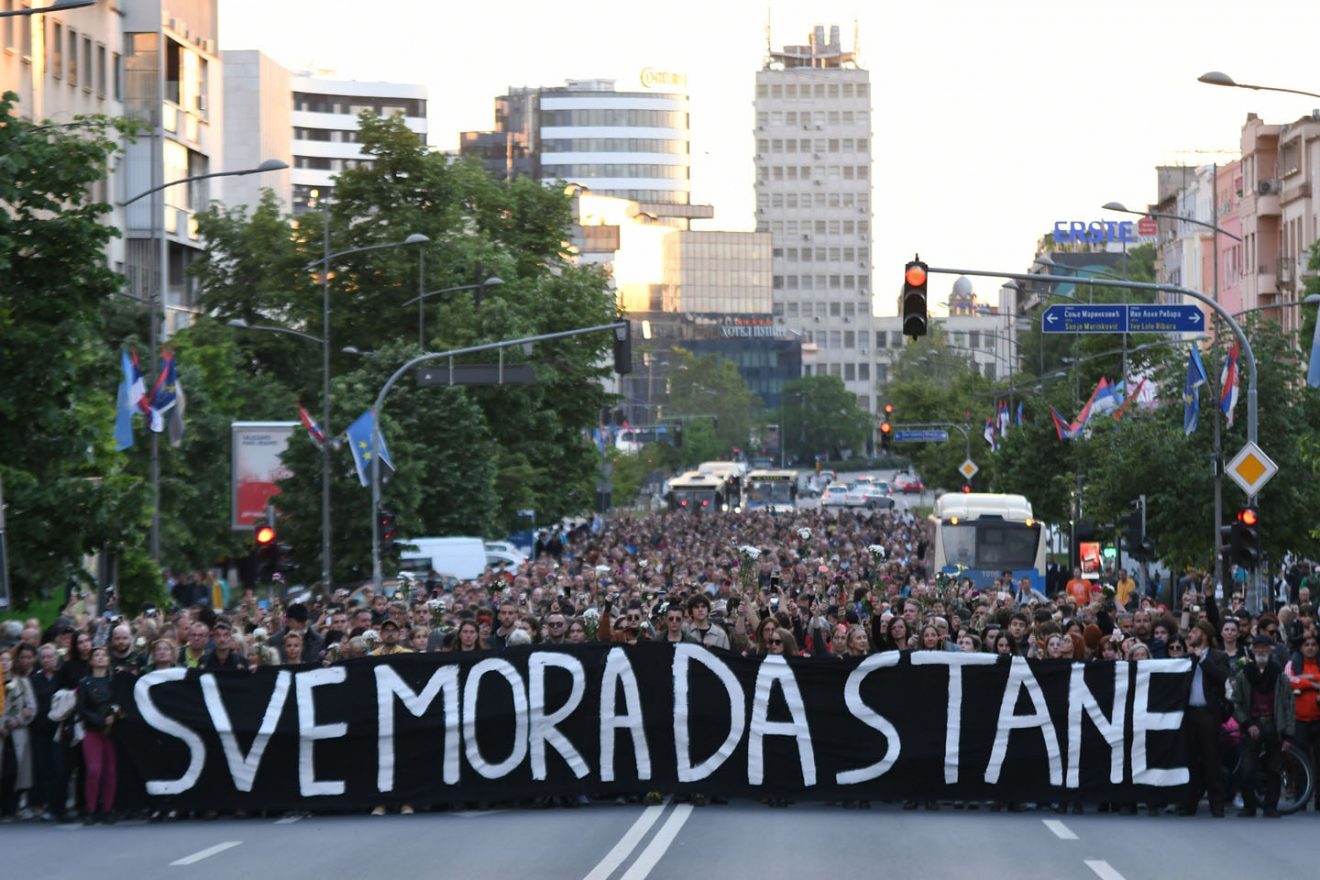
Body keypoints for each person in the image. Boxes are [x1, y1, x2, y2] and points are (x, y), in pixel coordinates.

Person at [1232, 634, 1295, 818]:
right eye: (1257, 648)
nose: (1261, 651)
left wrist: (1288, 734)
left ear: (1271, 651)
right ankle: (1249, 806)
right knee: (1248, 768)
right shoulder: (1244, 675)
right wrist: (1247, 723)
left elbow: (1289, 705)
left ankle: (1270, 807)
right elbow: (1236, 703)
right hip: (1252, 725)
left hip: (1274, 725)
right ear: (1252, 651)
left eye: (1264, 648)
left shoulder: (1280, 676)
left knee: (1274, 769)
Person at [1179, 620, 1231, 817]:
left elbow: (1222, 678)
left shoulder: (1219, 657)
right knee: (1190, 760)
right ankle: (1189, 803)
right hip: (1190, 713)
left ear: (1206, 635)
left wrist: (1203, 660)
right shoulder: (1187, 658)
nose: (1191, 634)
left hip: (1209, 714)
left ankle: (1217, 805)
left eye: (1195, 631)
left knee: (1212, 760)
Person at [76, 646, 120, 824]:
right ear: (91, 660)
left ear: (109, 660)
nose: (101, 658)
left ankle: (108, 809)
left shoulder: (114, 681)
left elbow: (120, 702)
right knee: (94, 770)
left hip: (112, 732)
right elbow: (82, 708)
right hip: (92, 731)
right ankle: (91, 809)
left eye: (104, 655)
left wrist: (115, 715)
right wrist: (101, 720)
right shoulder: (84, 683)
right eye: (97, 655)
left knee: (110, 771)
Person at [1285, 632, 1320, 813]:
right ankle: (1301, 799)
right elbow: (1289, 681)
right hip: (1299, 720)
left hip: (1318, 720)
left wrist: (1307, 679)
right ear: (1301, 648)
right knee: (1300, 763)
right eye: (1307, 645)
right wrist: (1312, 684)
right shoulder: (1293, 663)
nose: (1310, 647)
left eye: (1314, 644)